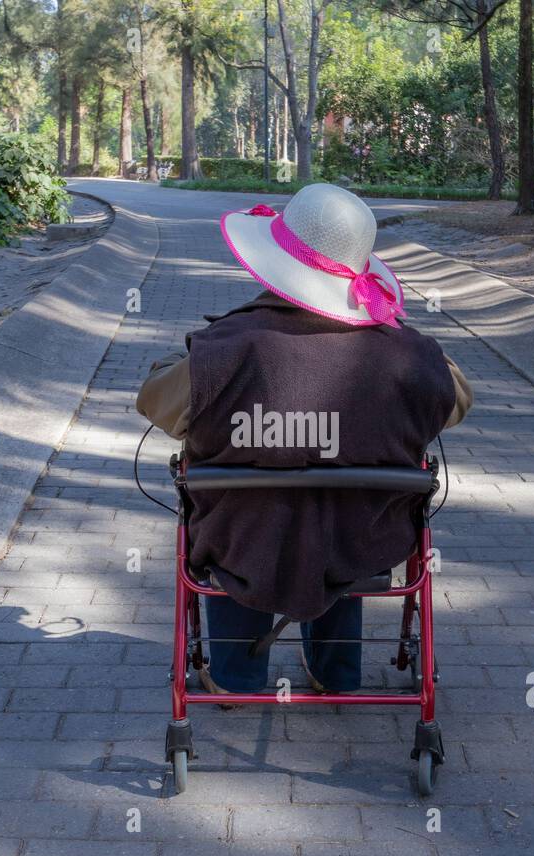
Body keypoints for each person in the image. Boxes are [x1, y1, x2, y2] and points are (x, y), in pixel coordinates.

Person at [137, 183, 472, 696]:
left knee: (248, 516)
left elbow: (156, 400)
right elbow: (456, 398)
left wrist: (178, 363)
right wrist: (394, 336)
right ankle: (336, 674)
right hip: (363, 539)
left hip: (241, 539)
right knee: (343, 510)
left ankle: (235, 679)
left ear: (274, 263)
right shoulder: (405, 357)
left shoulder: (227, 349)